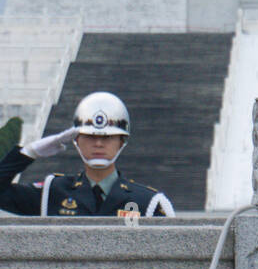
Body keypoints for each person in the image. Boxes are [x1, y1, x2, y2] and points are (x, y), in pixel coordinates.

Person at [0, 91, 174, 217]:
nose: (98, 144)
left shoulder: (147, 202)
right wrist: (28, 153)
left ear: (121, 142)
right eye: (90, 136)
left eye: (107, 137)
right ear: (76, 140)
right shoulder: (53, 192)